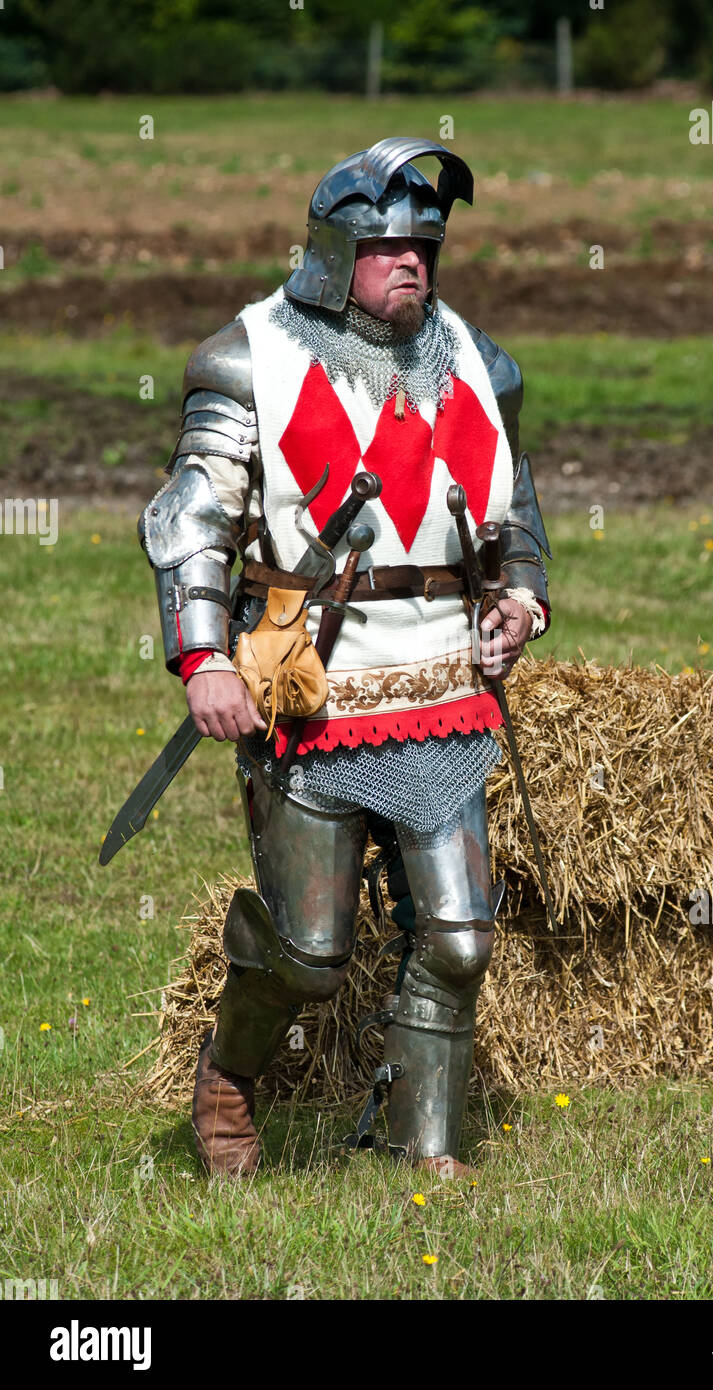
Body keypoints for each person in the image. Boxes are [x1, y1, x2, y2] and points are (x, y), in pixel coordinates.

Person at [138, 137, 552, 1179]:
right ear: (333, 255)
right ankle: (230, 1071)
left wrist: (523, 597)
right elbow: (193, 523)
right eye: (386, 246)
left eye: (424, 245)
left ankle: (430, 1156)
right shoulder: (251, 359)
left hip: (443, 695)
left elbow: (516, 514)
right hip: (314, 695)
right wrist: (206, 662)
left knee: (458, 942)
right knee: (311, 958)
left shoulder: (477, 361)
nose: (412, 260)